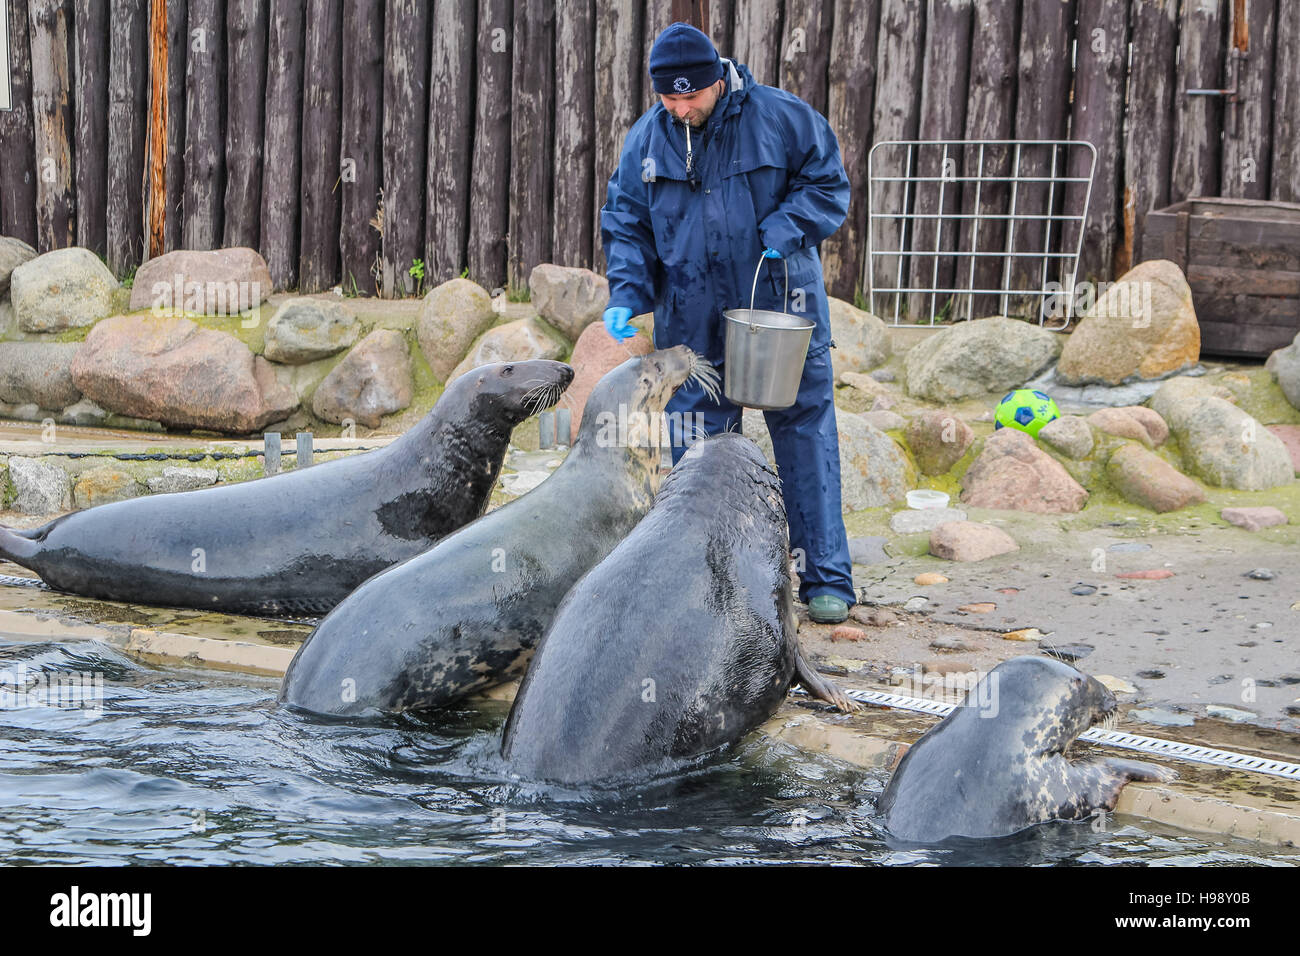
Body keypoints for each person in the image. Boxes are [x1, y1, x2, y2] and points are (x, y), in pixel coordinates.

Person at [599, 22, 855, 624]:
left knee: (805, 431)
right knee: (700, 447)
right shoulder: (647, 141)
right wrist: (628, 291)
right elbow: (625, 221)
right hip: (690, 316)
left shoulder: (780, 117)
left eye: (692, 95)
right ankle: (709, 573)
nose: (682, 107)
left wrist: (789, 224)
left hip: (780, 304)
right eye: (670, 97)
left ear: (718, 79)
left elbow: (828, 183)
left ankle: (826, 578)